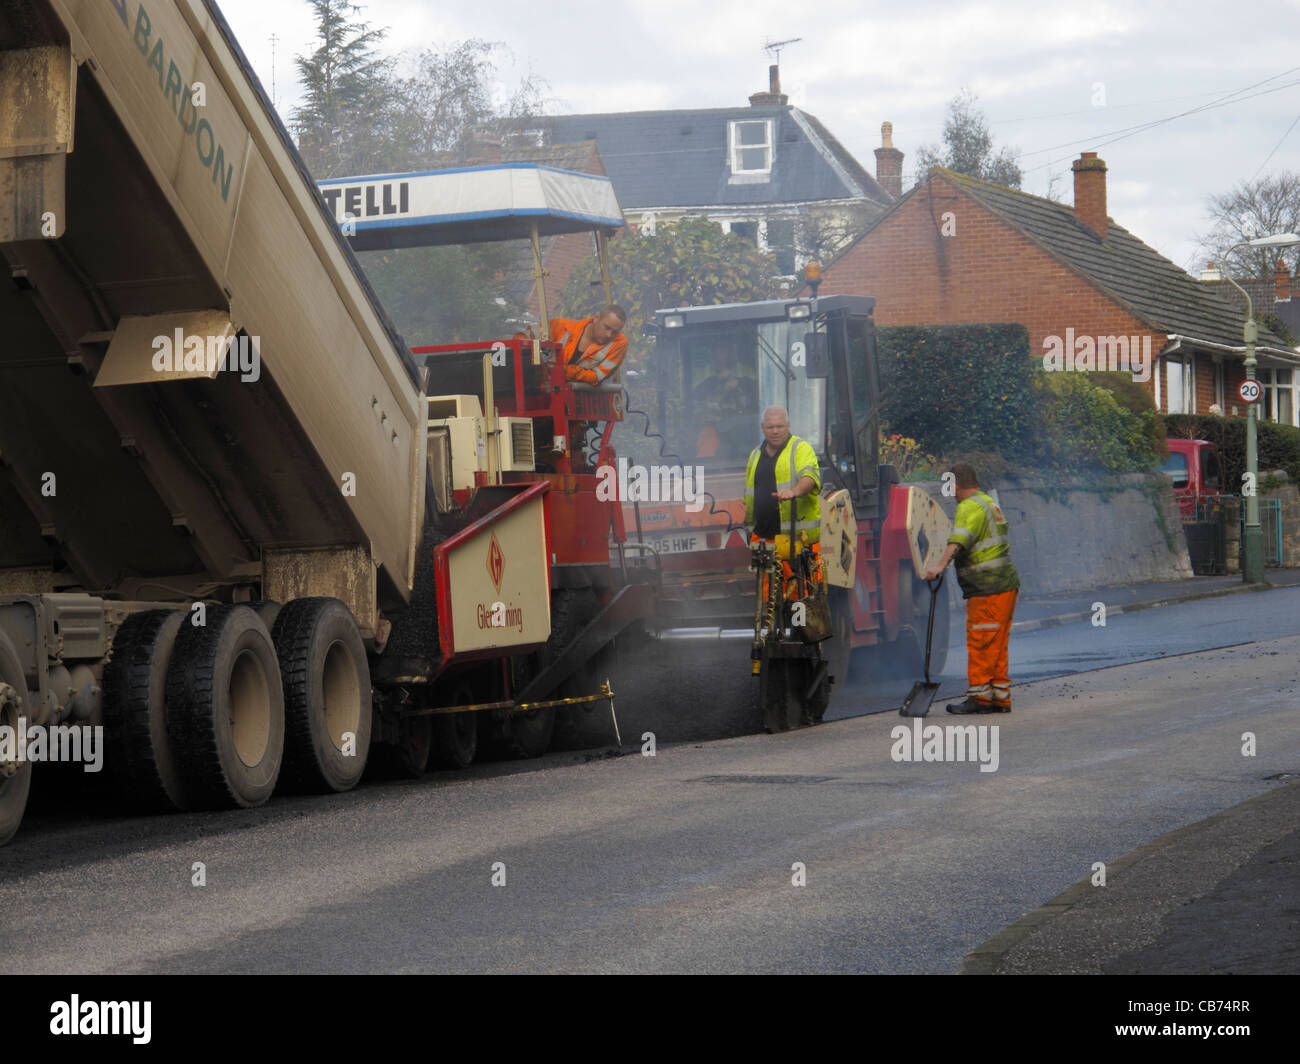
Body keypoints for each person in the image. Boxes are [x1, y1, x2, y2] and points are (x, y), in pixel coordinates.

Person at [923, 463, 1019, 714]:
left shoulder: (968, 507)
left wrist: (939, 567)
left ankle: (979, 698)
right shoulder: (988, 502)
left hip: (987, 587)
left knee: (980, 641)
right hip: (1005, 585)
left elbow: (959, 540)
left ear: (954, 485)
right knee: (997, 643)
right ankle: (1000, 697)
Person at [744, 406, 820, 546]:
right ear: (763, 427)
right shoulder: (755, 455)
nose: (775, 431)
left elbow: (809, 478)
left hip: (797, 543)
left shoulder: (801, 449)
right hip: (761, 539)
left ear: (788, 426)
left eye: (780, 426)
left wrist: (793, 492)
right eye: (770, 427)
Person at [548, 306, 628, 387]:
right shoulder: (560, 326)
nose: (609, 335)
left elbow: (598, 377)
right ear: (596, 317)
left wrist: (566, 371)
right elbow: (535, 337)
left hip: (580, 397)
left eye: (615, 332)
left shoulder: (619, 343)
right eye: (606, 327)